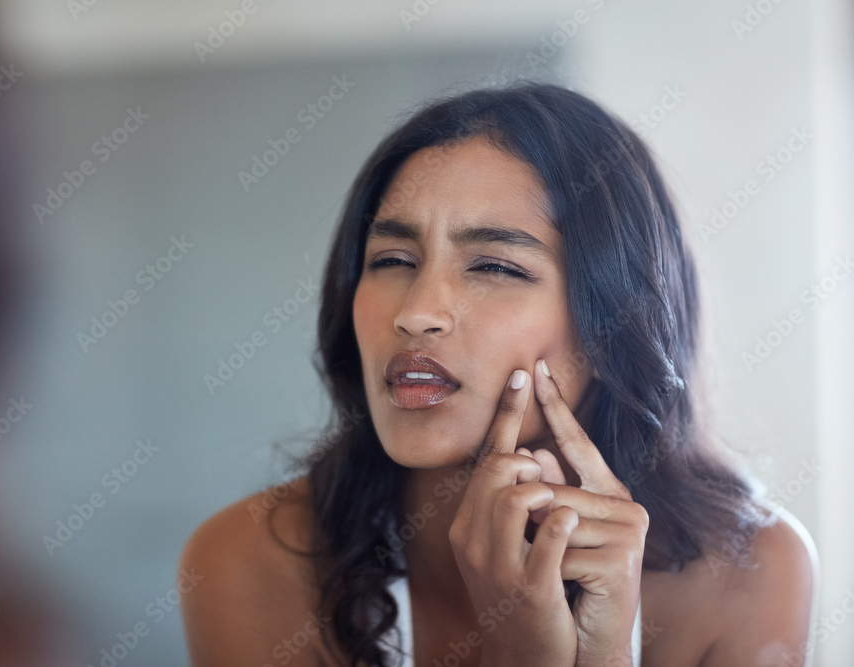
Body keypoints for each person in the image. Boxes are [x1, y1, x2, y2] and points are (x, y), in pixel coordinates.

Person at [180, 83, 817, 666]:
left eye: (496, 268)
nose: (417, 313)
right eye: (393, 259)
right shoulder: (246, 563)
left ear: (614, 322)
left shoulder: (752, 568)